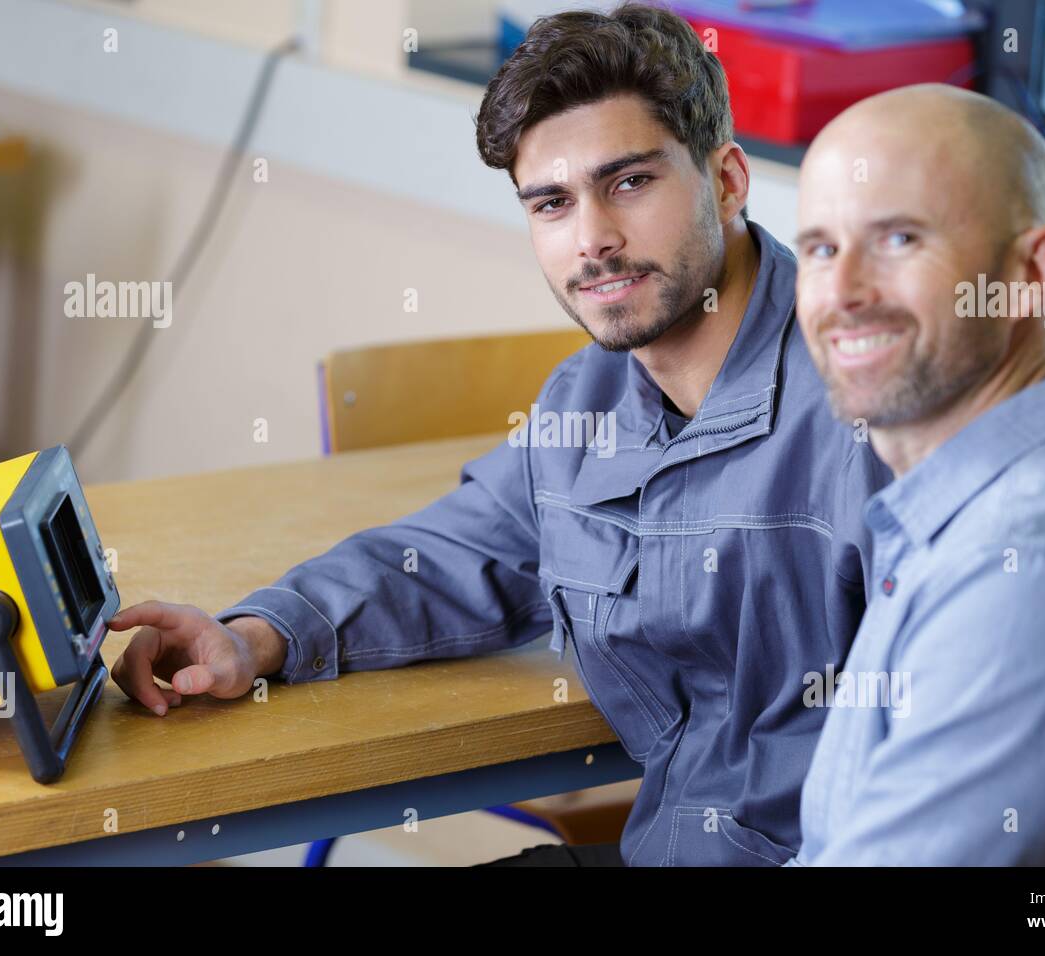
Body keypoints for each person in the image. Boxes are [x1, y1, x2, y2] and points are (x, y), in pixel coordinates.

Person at [106, 3, 891, 866]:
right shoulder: (587, 397)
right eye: (552, 203)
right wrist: (257, 637)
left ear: (729, 180)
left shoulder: (872, 415)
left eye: (630, 182)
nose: (593, 239)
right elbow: (458, 549)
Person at [789, 84, 1045, 865]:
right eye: (819, 248)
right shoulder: (956, 511)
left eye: (899, 240)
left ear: (1031, 270)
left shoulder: (1036, 565)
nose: (843, 292)